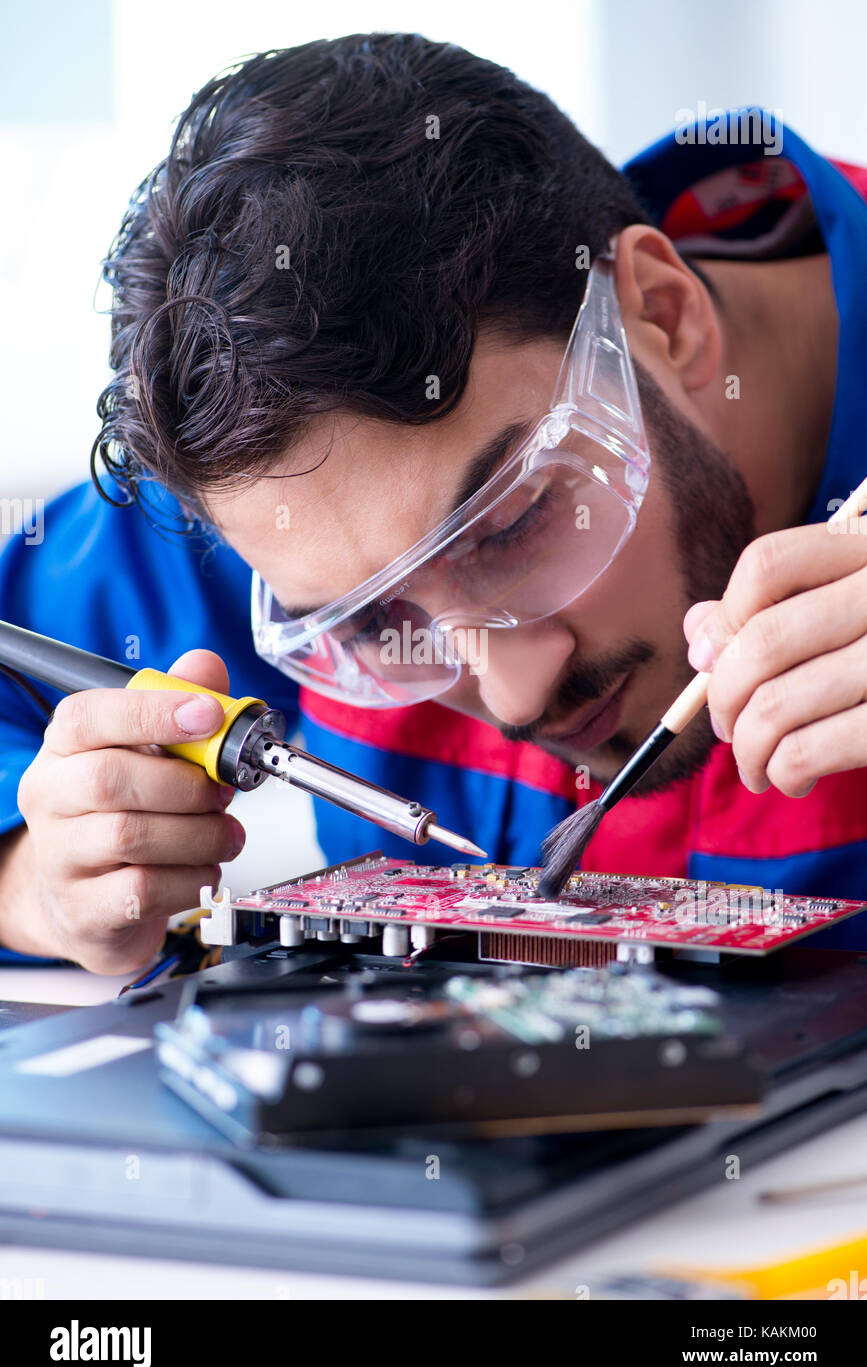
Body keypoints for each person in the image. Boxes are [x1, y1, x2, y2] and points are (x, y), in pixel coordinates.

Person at [1, 35, 865, 973]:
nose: (513, 691)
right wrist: (32, 883)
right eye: (372, 623)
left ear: (659, 311)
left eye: (510, 523)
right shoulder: (285, 500)